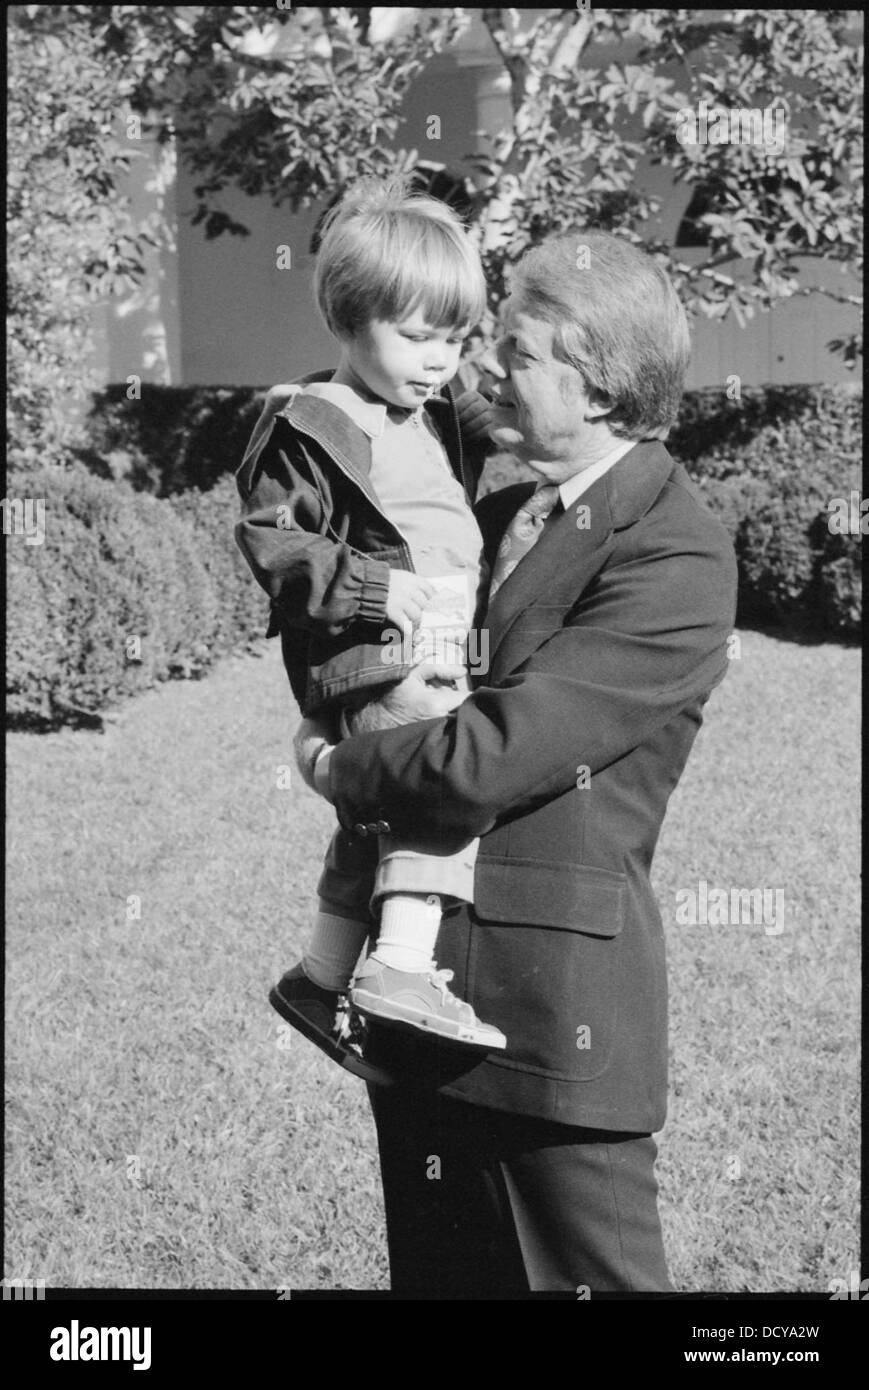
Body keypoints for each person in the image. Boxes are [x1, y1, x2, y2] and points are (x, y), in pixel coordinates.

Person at [295, 229, 739, 1293]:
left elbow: (490, 757)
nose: (483, 365)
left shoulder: (672, 549)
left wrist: (332, 766)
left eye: (516, 349)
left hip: (549, 1034)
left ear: (594, 383)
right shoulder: (493, 505)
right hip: (415, 1006)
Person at [234, 177, 508, 1090]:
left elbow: (502, 436)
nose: (440, 359)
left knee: (376, 819)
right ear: (349, 320)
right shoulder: (310, 421)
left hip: (435, 643)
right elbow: (271, 540)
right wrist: (372, 590)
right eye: (416, 336)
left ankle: (319, 977)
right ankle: (397, 968)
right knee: (444, 787)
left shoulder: (430, 414)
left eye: (454, 338)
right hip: (383, 650)